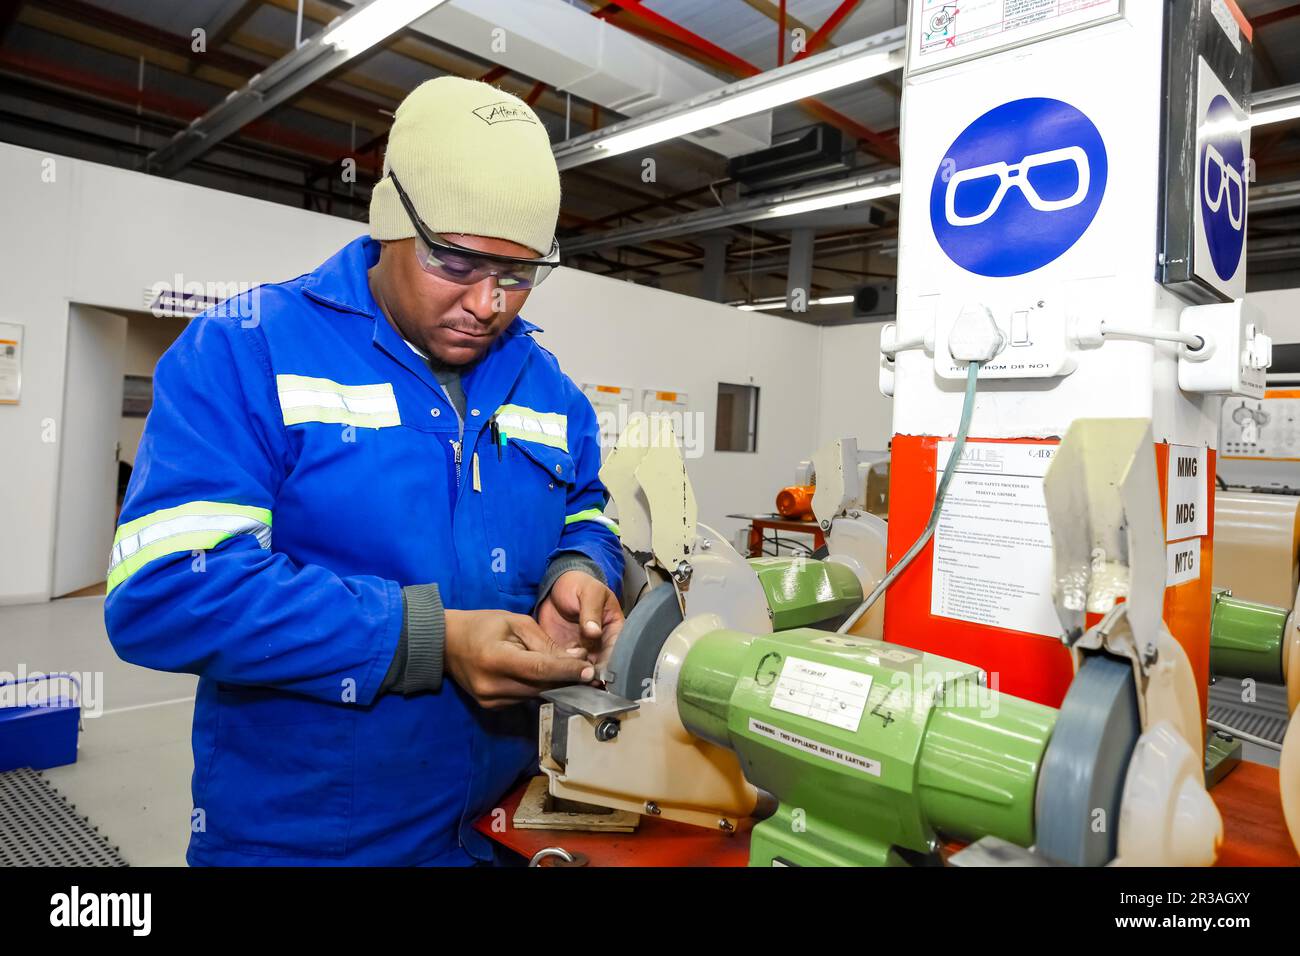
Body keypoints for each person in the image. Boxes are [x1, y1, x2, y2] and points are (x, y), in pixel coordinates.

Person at [104, 76, 625, 865]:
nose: (490, 303)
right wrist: (428, 639)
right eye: (457, 260)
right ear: (389, 220)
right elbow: (168, 589)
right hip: (308, 843)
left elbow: (588, 504)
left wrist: (580, 567)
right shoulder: (248, 352)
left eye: (520, 274)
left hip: (503, 828)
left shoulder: (545, 385)